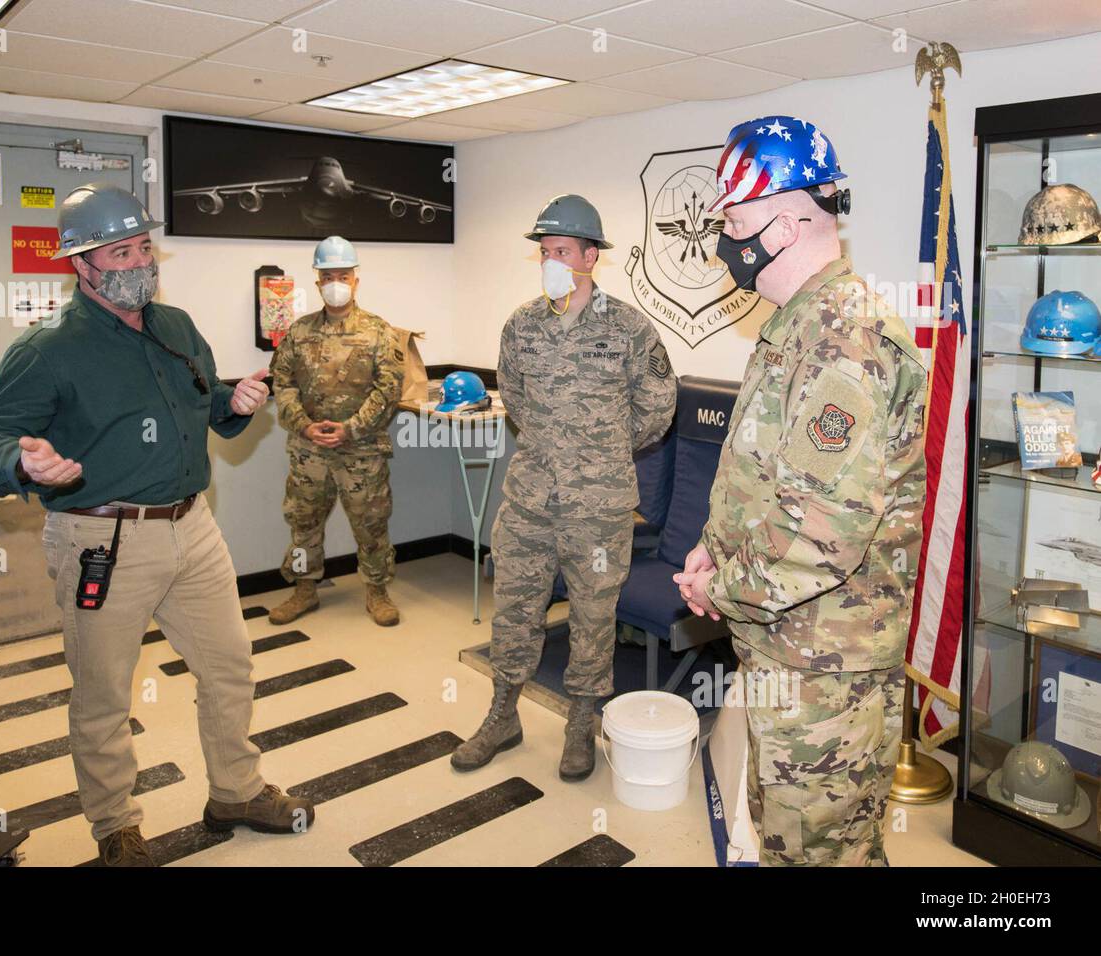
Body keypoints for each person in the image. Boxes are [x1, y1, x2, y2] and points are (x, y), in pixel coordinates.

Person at [0, 183, 313, 867]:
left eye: (142, 246)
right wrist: (23, 461)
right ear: (81, 265)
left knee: (229, 668)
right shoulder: (46, 351)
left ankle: (236, 792)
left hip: (194, 528)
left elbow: (205, 404)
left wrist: (235, 401)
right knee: (103, 695)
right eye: (119, 251)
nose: (138, 261)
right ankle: (115, 828)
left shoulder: (175, 326)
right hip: (101, 541)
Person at [674, 116, 928, 866]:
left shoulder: (846, 341)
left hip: (826, 667)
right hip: (786, 644)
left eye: (736, 220)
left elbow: (822, 538)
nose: (725, 236)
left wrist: (724, 587)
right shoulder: (797, 326)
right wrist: (709, 555)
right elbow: (767, 484)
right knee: (802, 841)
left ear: (784, 225)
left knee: (816, 853)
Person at [452, 195, 677, 781]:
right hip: (529, 499)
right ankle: (503, 714)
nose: (551, 260)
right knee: (514, 610)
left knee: (593, 615)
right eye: (544, 251)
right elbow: (516, 399)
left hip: (599, 507)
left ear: (589, 256)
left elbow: (657, 406)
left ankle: (581, 722)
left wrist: (600, 449)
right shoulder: (522, 324)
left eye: (561, 250)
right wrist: (558, 446)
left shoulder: (629, 328)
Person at [267, 236, 403, 627]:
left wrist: (349, 429)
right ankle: (303, 589)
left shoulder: (380, 331)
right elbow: (283, 383)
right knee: (302, 522)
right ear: (318, 283)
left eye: (343, 275)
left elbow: (388, 390)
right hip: (309, 450)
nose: (336, 282)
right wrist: (305, 426)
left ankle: (377, 591)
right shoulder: (299, 331)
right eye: (328, 276)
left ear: (356, 280)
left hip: (361, 449)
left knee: (371, 523)